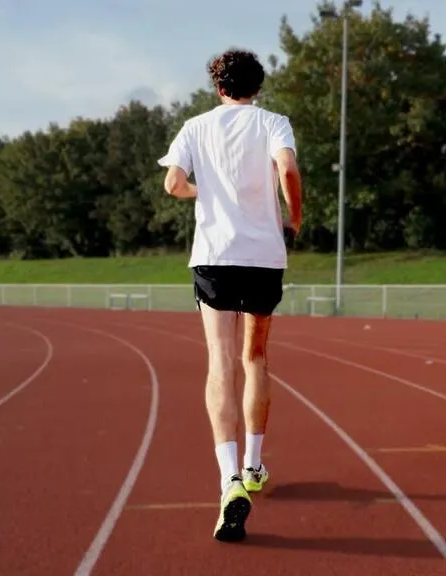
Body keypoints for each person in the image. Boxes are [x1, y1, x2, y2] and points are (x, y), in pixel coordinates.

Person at [157, 47, 303, 543]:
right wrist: (295, 219)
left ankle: (229, 482)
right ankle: (255, 465)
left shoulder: (196, 127)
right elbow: (287, 172)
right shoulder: (274, 123)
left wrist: (206, 192)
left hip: (215, 255)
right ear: (257, 86)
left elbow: (173, 182)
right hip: (263, 256)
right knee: (255, 359)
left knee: (219, 363)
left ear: (218, 87)